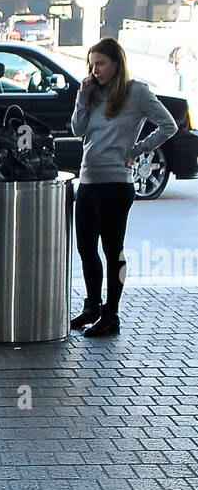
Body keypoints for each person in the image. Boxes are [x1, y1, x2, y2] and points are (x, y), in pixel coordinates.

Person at [70, 37, 176, 337]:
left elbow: (168, 124)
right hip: (88, 180)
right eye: (92, 64)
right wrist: (82, 97)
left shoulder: (136, 92)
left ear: (117, 63)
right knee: (85, 248)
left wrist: (138, 149)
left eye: (101, 63)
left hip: (116, 183)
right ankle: (92, 305)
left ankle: (111, 314)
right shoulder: (91, 93)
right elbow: (77, 129)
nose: (95, 70)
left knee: (112, 250)